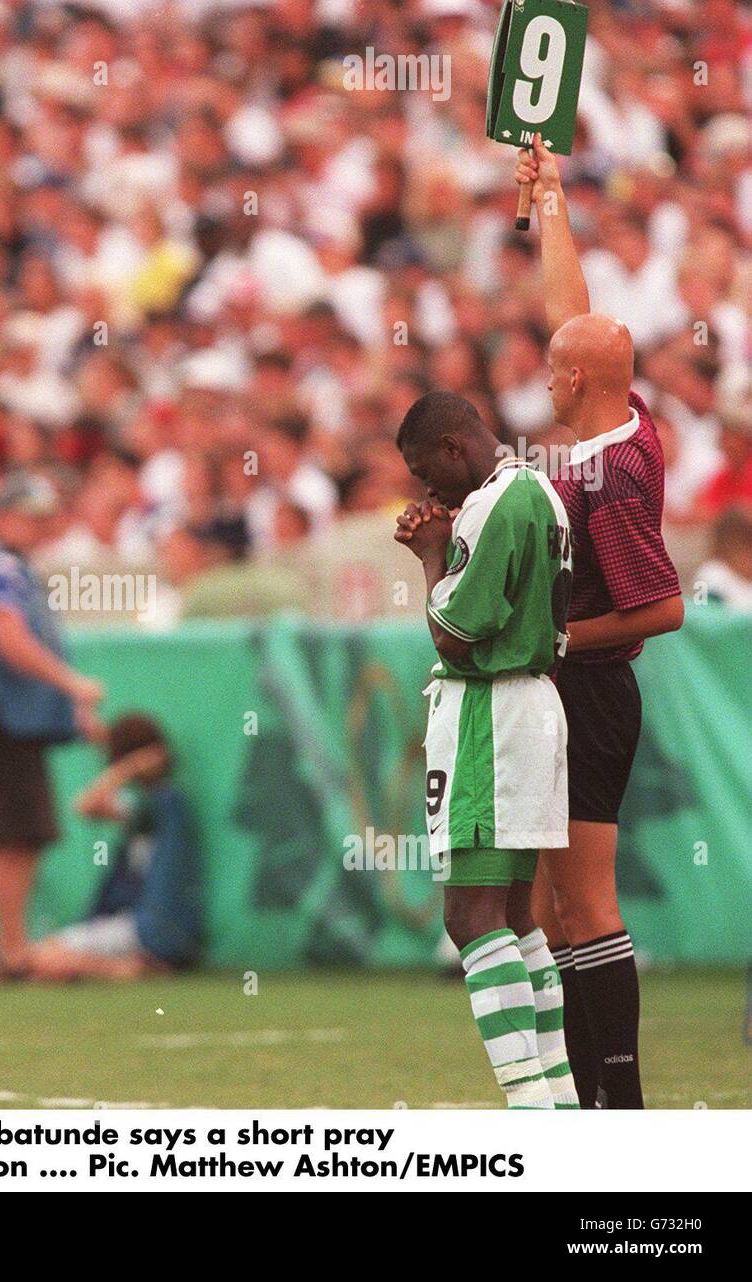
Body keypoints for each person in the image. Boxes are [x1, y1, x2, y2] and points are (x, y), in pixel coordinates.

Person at [517, 136, 685, 1109]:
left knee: (583, 902)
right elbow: (570, 315)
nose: (544, 372)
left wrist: (549, 643)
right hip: (570, 686)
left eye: (553, 367)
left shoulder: (613, 475)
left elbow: (657, 606)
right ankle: (580, 1105)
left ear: (577, 381)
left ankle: (615, 1107)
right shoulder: (620, 421)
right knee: (550, 908)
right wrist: (549, 200)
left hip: (588, 688)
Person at [395, 390, 578, 1109]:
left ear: (453, 448)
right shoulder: (543, 494)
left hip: (490, 713)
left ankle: (531, 1111)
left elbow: (454, 634)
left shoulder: (494, 504)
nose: (424, 489)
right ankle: (557, 1101)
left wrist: (430, 556)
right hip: (532, 704)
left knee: (470, 917)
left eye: (423, 469)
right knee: (515, 915)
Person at [0, 476, 106, 977]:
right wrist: (70, 684)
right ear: (1, 517)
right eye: (29, 515)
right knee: (15, 836)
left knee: (21, 836)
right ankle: (10, 949)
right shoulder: (0, 569)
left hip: (14, 721)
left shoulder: (13, 569)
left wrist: (70, 705)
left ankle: (9, 945)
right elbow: (8, 638)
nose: (40, 526)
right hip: (8, 722)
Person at [29, 713, 200, 982]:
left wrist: (127, 767)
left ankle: (124, 969)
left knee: (42, 958)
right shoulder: (145, 807)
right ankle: (126, 967)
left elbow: (86, 804)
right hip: (134, 926)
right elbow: (88, 806)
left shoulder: (164, 803)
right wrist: (130, 767)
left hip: (152, 929)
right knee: (42, 960)